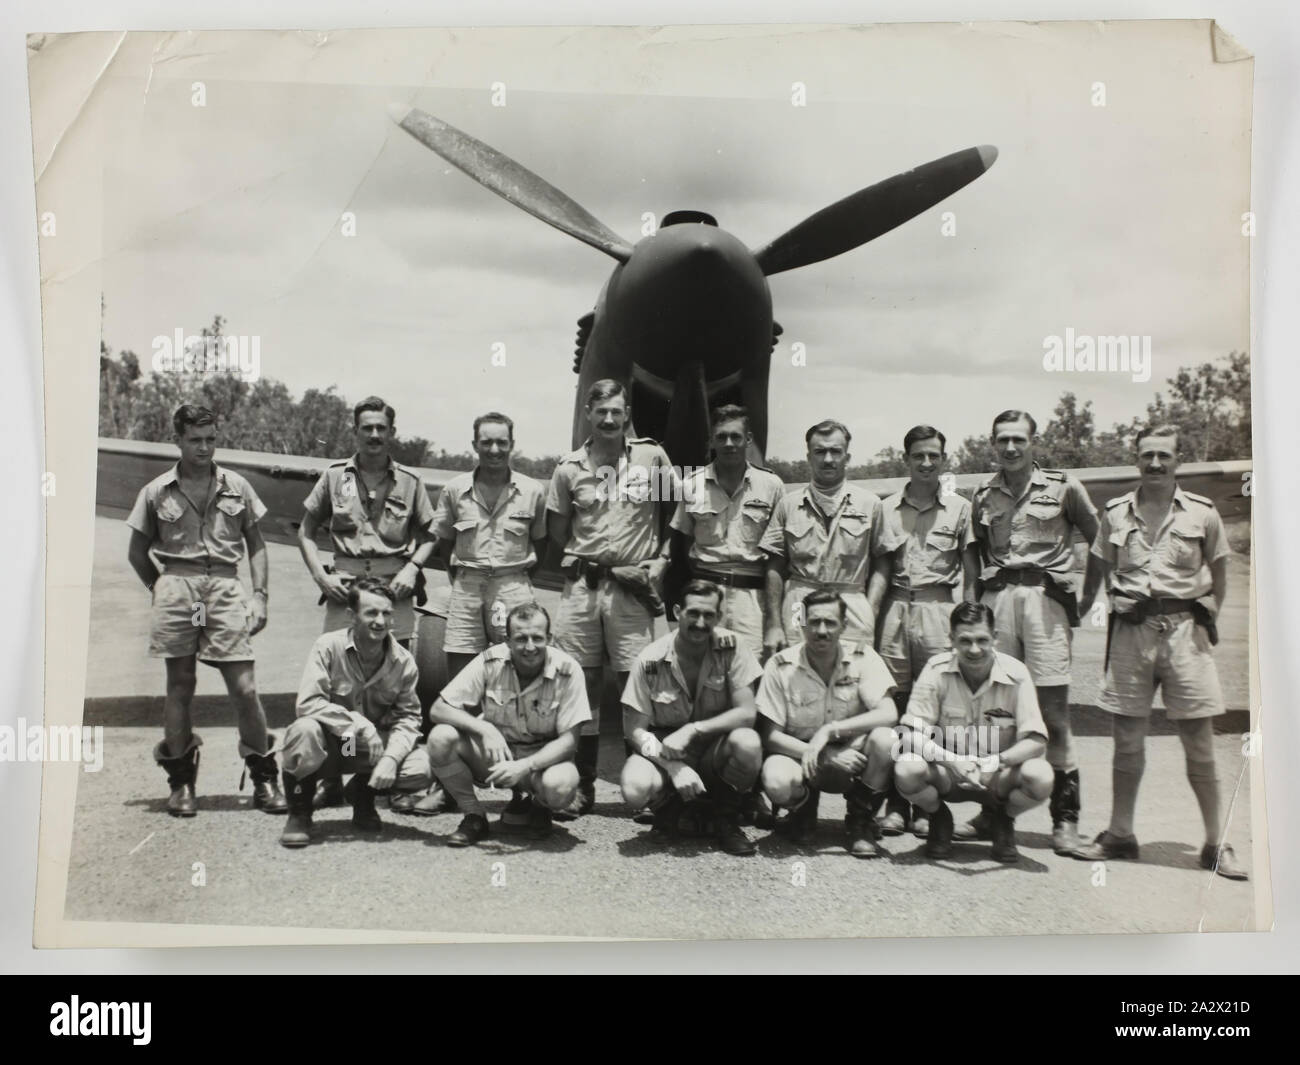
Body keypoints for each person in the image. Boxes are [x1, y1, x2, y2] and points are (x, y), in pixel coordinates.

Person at [1071, 425, 1247, 880]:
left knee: (1200, 745)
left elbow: (1220, 575)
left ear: (1177, 461)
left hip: (1185, 636)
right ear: (1136, 459)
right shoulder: (1114, 514)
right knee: (1127, 742)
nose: (1154, 463)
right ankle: (1120, 835)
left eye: (1163, 456)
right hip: (1131, 634)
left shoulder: (1203, 514)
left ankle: (1214, 843)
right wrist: (1081, 609)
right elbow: (1098, 571)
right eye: (1147, 455)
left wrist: (1205, 619)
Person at [126, 403, 286, 817]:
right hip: (178, 586)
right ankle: (180, 782)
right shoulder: (157, 491)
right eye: (195, 440)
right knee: (180, 685)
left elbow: (258, 544)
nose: (204, 447)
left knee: (245, 687)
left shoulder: (238, 486)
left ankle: (264, 777)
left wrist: (261, 595)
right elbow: (137, 552)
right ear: (177, 440)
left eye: (211, 439)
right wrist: (158, 587)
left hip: (225, 587)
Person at [966, 409, 1098, 854]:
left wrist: (1089, 596)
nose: (1010, 448)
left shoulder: (1064, 487)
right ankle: (992, 810)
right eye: (1002, 440)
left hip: (1045, 601)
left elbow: (1100, 539)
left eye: (1018, 439)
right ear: (992, 443)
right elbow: (977, 553)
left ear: (1033, 442)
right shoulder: (982, 494)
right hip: (999, 602)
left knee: (1055, 717)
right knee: (997, 712)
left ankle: (1066, 820)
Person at [298, 396, 437, 811]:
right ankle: (333, 776)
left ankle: (376, 774)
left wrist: (413, 568)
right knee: (338, 681)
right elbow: (305, 531)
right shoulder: (333, 477)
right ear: (354, 431)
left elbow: (431, 534)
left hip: (393, 589)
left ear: (391, 432)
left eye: (381, 428)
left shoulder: (410, 482)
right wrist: (321, 576)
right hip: (345, 586)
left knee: (391, 683)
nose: (374, 435)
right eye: (367, 428)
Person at [546, 379, 674, 817]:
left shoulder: (652, 457)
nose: (608, 420)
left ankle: (644, 786)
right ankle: (581, 786)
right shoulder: (568, 468)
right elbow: (559, 530)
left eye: (616, 412)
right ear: (588, 413)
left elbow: (675, 511)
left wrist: (662, 558)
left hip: (632, 590)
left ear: (626, 414)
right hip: (584, 588)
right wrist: (587, 561)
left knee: (637, 685)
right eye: (601, 412)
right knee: (581, 684)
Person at [875, 425, 977, 837]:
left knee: (930, 705)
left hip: (939, 608)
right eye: (918, 455)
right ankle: (896, 802)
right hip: (897, 608)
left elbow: (972, 573)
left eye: (934, 455)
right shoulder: (885, 508)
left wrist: (969, 621)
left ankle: (926, 800)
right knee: (897, 705)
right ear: (906, 459)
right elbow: (880, 567)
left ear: (944, 459)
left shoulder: (959, 508)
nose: (926, 463)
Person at [894, 602, 1054, 863]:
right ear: (951, 640)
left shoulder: (1017, 674)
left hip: (996, 776)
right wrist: (952, 760)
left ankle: (1003, 819)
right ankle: (938, 817)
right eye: (965, 640)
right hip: (949, 774)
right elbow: (908, 734)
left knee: (1041, 775)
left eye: (982, 639)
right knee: (906, 769)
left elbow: (1036, 741)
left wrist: (998, 761)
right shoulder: (936, 669)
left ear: (996, 639)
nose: (974, 649)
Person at [278, 577, 433, 847]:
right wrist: (358, 723)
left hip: (366, 751)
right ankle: (300, 812)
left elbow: (409, 719)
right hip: (337, 744)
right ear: (351, 615)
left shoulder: (404, 662)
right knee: (303, 731)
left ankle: (363, 795)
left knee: (422, 766)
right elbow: (308, 703)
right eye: (371, 613)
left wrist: (392, 759)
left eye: (387, 613)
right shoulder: (327, 646)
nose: (381, 622)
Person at [620, 580, 765, 856]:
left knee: (748, 742)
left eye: (709, 615)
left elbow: (747, 714)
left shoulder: (733, 647)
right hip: (668, 750)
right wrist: (673, 767)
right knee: (634, 785)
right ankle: (668, 810)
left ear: (719, 617)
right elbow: (635, 733)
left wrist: (695, 729)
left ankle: (726, 817)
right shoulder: (650, 659)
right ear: (677, 612)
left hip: (715, 749)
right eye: (693, 613)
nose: (700, 622)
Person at [426, 603, 590, 846]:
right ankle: (473, 815)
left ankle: (538, 806)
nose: (530, 647)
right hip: (495, 754)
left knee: (561, 785)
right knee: (440, 738)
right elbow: (438, 709)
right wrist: (484, 728)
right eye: (521, 638)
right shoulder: (490, 661)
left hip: (541, 760)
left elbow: (569, 742)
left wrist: (525, 765)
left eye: (537, 638)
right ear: (507, 640)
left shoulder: (568, 670)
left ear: (550, 638)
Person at [755, 589, 899, 858]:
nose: (821, 630)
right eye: (814, 622)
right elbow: (770, 737)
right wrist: (825, 753)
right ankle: (802, 810)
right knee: (776, 780)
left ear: (844, 625)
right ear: (802, 623)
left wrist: (830, 731)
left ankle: (860, 820)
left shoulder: (863, 657)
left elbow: (889, 713)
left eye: (830, 622)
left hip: (852, 756)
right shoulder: (781, 665)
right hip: (801, 757)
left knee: (886, 740)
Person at [761, 419, 902, 658]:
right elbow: (774, 565)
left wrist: (871, 607)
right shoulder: (789, 504)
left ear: (847, 457)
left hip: (851, 601)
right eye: (820, 451)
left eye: (835, 451)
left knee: (853, 674)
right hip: (800, 602)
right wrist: (774, 623)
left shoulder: (870, 504)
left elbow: (882, 561)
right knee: (797, 669)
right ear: (809, 456)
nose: (828, 459)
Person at [665, 405, 784, 660]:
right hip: (706, 594)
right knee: (704, 667)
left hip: (752, 599)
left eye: (736, 437)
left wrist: (774, 620)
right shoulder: (692, 484)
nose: (729, 443)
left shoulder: (771, 486)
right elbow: (684, 543)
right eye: (721, 437)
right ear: (712, 441)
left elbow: (778, 554)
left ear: (748, 440)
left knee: (751, 668)